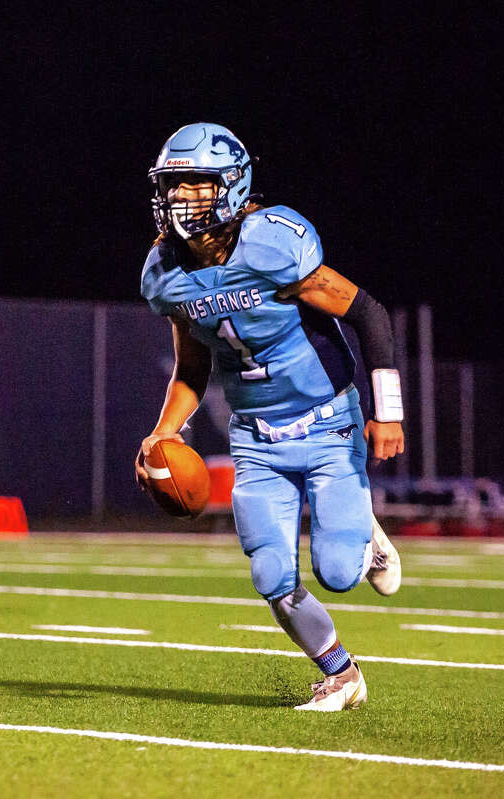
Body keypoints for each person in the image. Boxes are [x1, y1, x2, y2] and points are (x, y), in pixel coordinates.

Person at [135, 123, 405, 711]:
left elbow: (370, 314)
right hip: (255, 438)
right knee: (270, 573)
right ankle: (340, 674)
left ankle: (361, 537)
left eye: (196, 186)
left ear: (231, 186)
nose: (181, 199)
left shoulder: (274, 244)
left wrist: (388, 412)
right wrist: (163, 432)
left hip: (328, 422)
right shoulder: (167, 274)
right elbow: (191, 369)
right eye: (172, 186)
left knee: (335, 571)